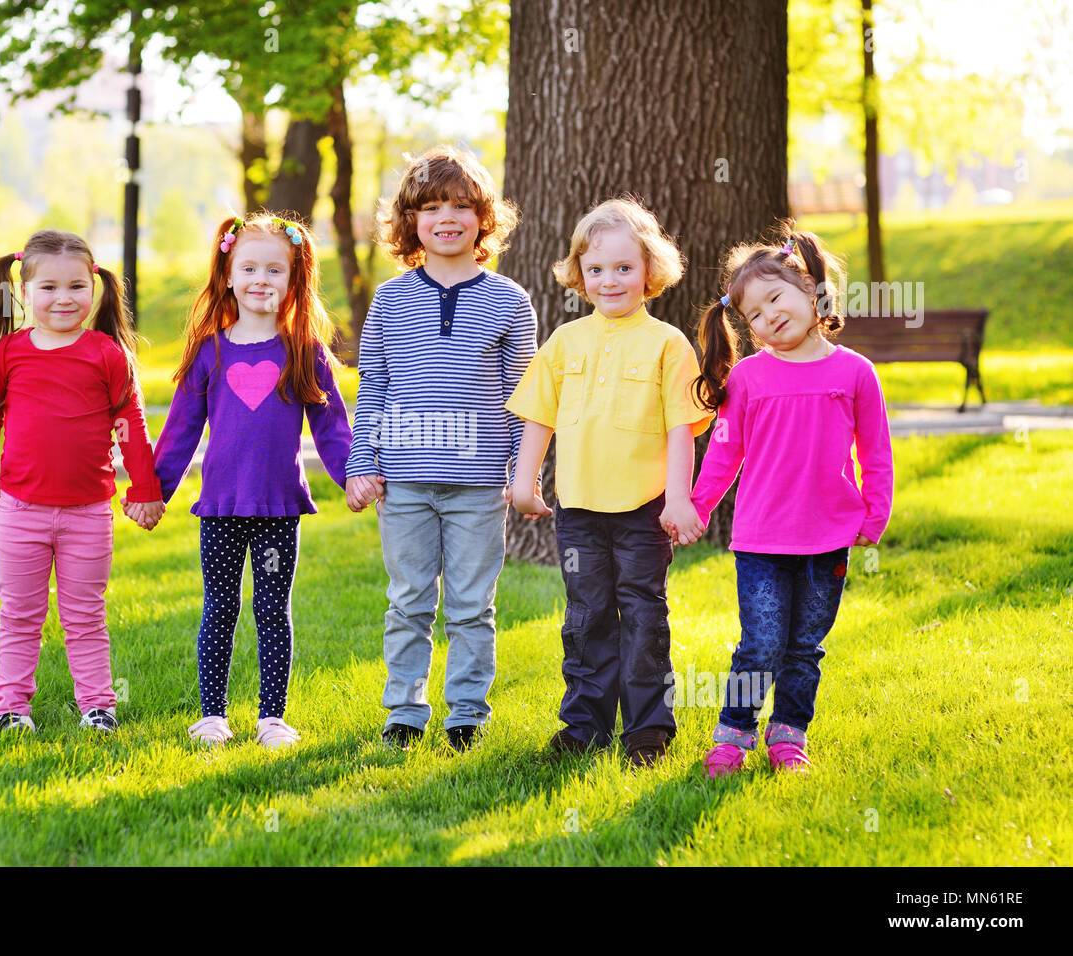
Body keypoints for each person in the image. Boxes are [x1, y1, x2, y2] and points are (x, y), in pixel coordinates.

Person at [507, 197, 712, 768]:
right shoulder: (564, 343)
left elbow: (681, 429)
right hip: (578, 509)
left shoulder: (668, 344)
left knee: (643, 613)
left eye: (624, 267)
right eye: (595, 269)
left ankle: (648, 729)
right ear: (579, 274)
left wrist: (677, 498)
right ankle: (584, 724)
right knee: (586, 616)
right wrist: (524, 483)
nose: (609, 280)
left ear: (650, 270)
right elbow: (538, 418)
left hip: (644, 508)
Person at [345, 145, 538, 752]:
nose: (445, 217)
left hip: (477, 484)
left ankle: (466, 715)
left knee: (471, 604)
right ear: (410, 222)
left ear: (484, 219)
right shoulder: (390, 299)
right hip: (402, 481)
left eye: (460, 205)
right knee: (407, 601)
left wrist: (517, 473)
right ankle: (404, 710)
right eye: (430, 206)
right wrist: (362, 464)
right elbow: (373, 385)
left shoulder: (509, 300)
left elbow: (522, 396)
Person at [689, 228, 894, 777]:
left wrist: (874, 516)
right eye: (753, 313)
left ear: (810, 290)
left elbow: (875, 453)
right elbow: (724, 454)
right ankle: (733, 736)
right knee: (760, 642)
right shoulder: (750, 377)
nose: (769, 316)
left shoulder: (854, 371)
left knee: (805, 646)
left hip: (830, 537)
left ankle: (789, 735)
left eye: (776, 298)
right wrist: (699, 506)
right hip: (761, 539)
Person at [153, 213, 351, 748]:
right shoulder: (209, 351)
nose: (261, 279)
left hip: (279, 511)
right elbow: (180, 431)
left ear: (294, 280)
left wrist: (354, 477)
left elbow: (332, 427)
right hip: (219, 507)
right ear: (228, 273)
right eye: (249, 268)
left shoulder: (304, 351)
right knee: (219, 606)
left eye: (275, 270)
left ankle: (272, 717)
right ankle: (212, 714)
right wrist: (153, 491)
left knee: (271, 610)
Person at [0, 230, 163, 735]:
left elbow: (131, 424)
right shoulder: (9, 353)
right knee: (19, 615)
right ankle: (10, 707)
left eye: (76, 286)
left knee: (85, 617)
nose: (63, 299)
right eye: (49, 288)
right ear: (26, 292)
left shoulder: (105, 354)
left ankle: (98, 705)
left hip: (88, 513)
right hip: (20, 510)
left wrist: (144, 489)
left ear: (94, 287)